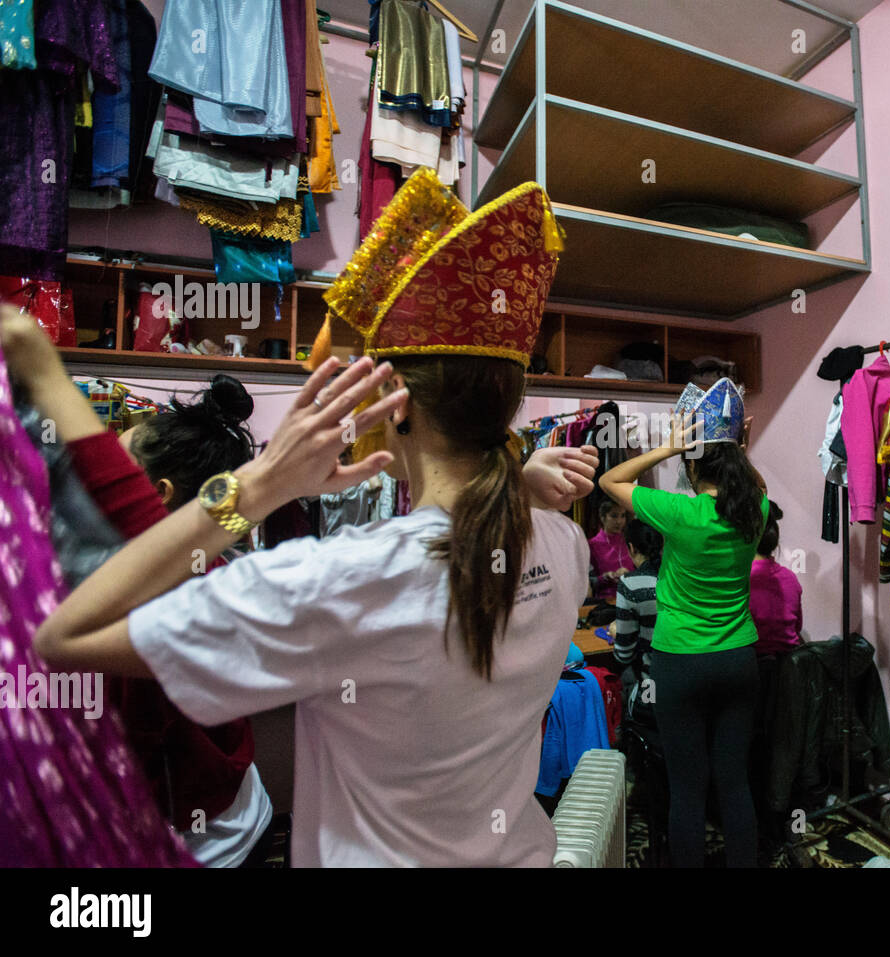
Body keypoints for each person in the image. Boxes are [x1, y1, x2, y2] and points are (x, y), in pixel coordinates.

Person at [35, 168, 601, 866]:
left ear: (394, 403)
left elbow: (66, 634)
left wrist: (258, 487)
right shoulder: (565, 545)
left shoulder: (346, 578)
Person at [1, 311, 273, 867]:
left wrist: (38, 364)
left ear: (158, 491)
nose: (89, 481)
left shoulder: (194, 586)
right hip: (233, 814)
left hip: (200, 844)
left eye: (112, 466)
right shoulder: (206, 571)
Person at [599, 378, 769, 868]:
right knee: (734, 784)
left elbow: (611, 484)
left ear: (692, 464)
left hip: (681, 665)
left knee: (687, 791)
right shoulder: (753, 509)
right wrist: (738, 446)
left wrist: (668, 446)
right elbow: (752, 482)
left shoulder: (680, 512)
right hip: (739, 660)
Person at [614, 518, 663, 715]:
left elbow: (623, 654)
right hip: (686, 680)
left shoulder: (630, 584)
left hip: (652, 686)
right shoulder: (677, 577)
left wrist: (617, 631)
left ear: (632, 548)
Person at [749, 501, 804, 657]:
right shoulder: (790, 578)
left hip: (754, 666)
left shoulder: (739, 580)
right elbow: (797, 627)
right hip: (789, 669)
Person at [589, 498, 634, 602]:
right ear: (602, 517)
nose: (619, 521)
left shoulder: (629, 541)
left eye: (622, 516)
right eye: (614, 516)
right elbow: (587, 582)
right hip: (606, 601)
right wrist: (605, 577)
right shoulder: (592, 545)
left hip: (632, 599)